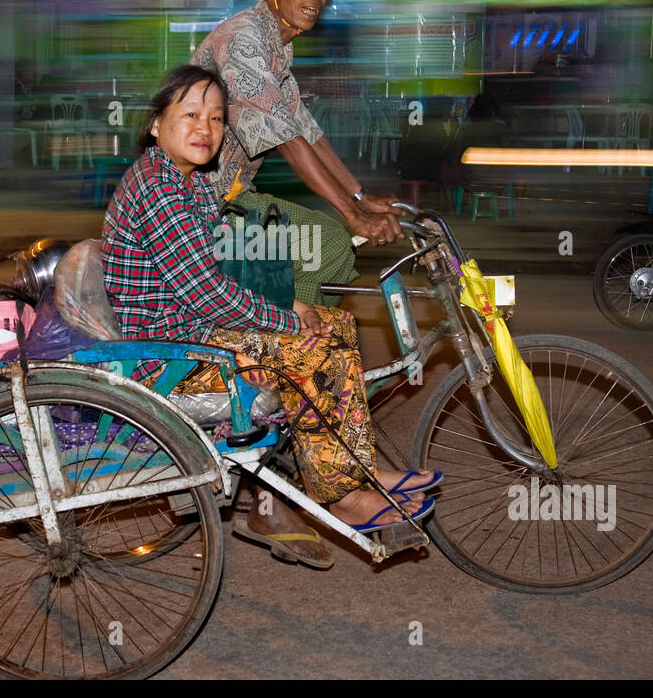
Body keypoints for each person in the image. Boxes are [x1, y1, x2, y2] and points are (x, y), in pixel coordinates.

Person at [100, 65, 441, 557]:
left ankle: (351, 471)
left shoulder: (189, 182)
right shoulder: (159, 188)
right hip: (168, 356)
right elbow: (207, 294)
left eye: (217, 119)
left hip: (193, 333)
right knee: (314, 343)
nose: (206, 129)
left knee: (334, 324)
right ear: (156, 124)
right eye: (191, 114)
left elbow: (219, 277)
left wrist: (293, 302)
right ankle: (344, 493)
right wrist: (287, 317)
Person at [192, 0, 407, 565]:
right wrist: (350, 214)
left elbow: (306, 132)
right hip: (200, 215)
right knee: (325, 250)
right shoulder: (246, 40)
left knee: (329, 247)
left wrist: (364, 198)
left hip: (230, 203)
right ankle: (282, 462)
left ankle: (300, 422)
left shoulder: (277, 49)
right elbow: (286, 144)